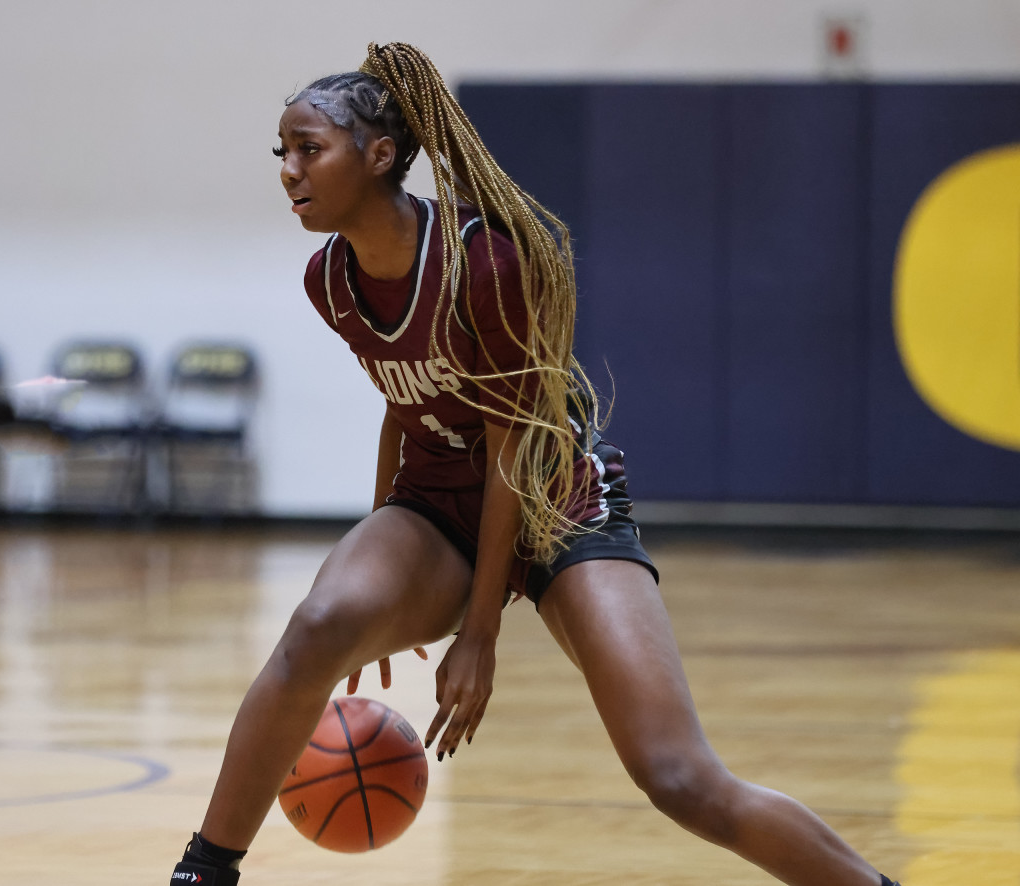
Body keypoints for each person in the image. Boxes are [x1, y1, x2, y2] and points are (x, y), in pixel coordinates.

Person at [171, 42, 901, 886]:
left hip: (558, 501)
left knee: (677, 777)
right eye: (283, 151)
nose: (289, 170)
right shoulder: (329, 280)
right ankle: (204, 871)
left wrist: (479, 635)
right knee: (317, 628)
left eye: (309, 149)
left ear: (378, 156)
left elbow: (511, 448)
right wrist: (371, 566)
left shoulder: (484, 262)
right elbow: (402, 399)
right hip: (440, 501)